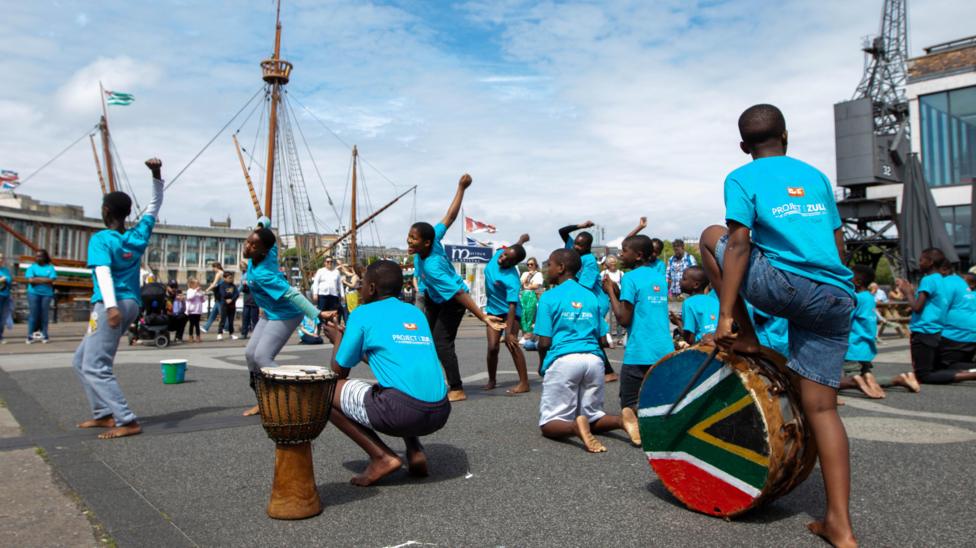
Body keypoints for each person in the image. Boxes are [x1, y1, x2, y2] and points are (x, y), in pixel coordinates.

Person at [699, 104, 857, 547]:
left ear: (743, 146)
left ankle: (747, 334)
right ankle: (840, 525)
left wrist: (727, 316)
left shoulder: (740, 177)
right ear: (786, 136)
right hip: (836, 295)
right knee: (822, 410)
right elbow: (838, 244)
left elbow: (738, 244)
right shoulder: (817, 177)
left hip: (783, 285)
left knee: (711, 236)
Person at [322, 260, 451, 486]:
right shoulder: (415, 313)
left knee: (324, 391)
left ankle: (381, 457)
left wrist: (338, 340)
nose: (360, 289)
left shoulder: (362, 313)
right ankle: (415, 451)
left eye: (362, 284)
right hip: (440, 410)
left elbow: (338, 372)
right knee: (394, 383)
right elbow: (390, 358)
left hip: (402, 412)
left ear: (371, 288)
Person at [73, 158, 165, 440]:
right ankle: (102, 413)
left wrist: (110, 307)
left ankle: (126, 419)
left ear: (105, 211)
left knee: (96, 366)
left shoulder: (101, 239)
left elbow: (103, 272)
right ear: (126, 213)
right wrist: (156, 174)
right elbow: (154, 205)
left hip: (110, 304)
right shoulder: (137, 236)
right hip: (131, 304)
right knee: (80, 360)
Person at [407, 174, 505, 402]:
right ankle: (429, 381)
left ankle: (457, 388)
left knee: (442, 342)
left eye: (414, 239)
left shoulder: (433, 266)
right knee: (426, 340)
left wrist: (483, 317)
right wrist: (461, 187)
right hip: (434, 298)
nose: (409, 241)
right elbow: (450, 216)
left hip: (452, 302)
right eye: (409, 236)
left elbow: (460, 293)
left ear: (426, 242)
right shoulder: (432, 239)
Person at [536, 248, 639, 452]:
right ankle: (621, 421)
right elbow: (602, 338)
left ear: (561, 268)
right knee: (592, 415)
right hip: (593, 360)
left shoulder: (549, 297)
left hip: (564, 359)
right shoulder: (590, 297)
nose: (547, 269)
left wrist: (543, 365)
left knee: (549, 423)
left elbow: (544, 342)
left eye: (550, 264)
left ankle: (574, 426)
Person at [242, 217, 334, 416]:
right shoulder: (267, 251)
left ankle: (297, 396)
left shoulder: (264, 274)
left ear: (263, 251)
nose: (248, 247)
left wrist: (317, 313)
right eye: (248, 241)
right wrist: (262, 223)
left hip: (287, 314)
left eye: (253, 245)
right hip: (270, 313)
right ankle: (263, 400)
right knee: (250, 354)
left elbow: (292, 294)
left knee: (262, 357)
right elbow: (266, 225)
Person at [604, 233, 671, 438]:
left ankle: (640, 432)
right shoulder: (660, 278)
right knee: (659, 397)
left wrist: (611, 292)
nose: (621, 255)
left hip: (639, 350)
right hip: (664, 349)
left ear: (639, 255)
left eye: (625, 251)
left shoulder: (630, 278)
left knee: (629, 402)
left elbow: (624, 319)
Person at [840, 266, 920, 398]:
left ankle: (897, 379)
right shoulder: (869, 297)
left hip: (853, 347)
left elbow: (845, 319)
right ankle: (901, 379)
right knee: (867, 378)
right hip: (866, 348)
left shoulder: (856, 298)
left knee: (849, 380)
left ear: (858, 282)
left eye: (850, 277)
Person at [558, 220, 618, 382]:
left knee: (591, 336)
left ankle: (608, 371)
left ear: (588, 247)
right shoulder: (573, 252)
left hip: (595, 302)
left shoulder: (589, 261)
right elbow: (562, 231)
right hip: (582, 300)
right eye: (576, 243)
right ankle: (598, 370)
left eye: (580, 245)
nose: (576, 247)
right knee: (588, 336)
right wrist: (580, 226)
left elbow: (584, 286)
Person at [483, 234, 531, 394]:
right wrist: (522, 240)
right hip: (493, 310)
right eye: (503, 255)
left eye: (507, 259)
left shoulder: (512, 279)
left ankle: (524, 383)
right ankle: (492, 380)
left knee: (512, 343)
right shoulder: (499, 253)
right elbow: (514, 248)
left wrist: (509, 333)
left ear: (514, 264)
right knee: (492, 347)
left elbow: (512, 306)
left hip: (510, 312)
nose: (502, 258)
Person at [937, 264, 976, 372]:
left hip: (956, 336)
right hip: (969, 336)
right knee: (963, 361)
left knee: (945, 366)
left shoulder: (957, 291)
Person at [677, 265, 718, 345]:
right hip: (718, 343)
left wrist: (678, 322)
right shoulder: (714, 300)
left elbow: (690, 339)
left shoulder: (688, 303)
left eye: (684, 279)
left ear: (696, 285)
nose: (680, 281)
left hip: (702, 346)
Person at [25, 249, 57, 343]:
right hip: (33, 293)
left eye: (40, 256)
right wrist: (45, 279)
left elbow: (51, 280)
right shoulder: (32, 267)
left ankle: (44, 335)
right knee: (33, 314)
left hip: (46, 294)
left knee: (44, 315)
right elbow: (30, 280)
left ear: (45, 257)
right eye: (37, 256)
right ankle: (30, 336)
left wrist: (37, 279)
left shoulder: (50, 268)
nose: (38, 258)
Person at [601, 255, 624, 343]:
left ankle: (620, 336)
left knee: (619, 317)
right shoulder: (604, 273)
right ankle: (609, 335)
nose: (612, 264)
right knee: (608, 317)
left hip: (618, 297)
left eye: (614, 262)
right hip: (607, 297)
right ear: (607, 264)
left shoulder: (621, 273)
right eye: (610, 262)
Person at [519, 256, 544, 337]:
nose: (529, 266)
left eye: (531, 264)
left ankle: (530, 336)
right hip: (524, 297)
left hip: (533, 297)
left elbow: (535, 286)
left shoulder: (538, 274)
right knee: (523, 316)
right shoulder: (525, 273)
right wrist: (528, 276)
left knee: (531, 316)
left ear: (535, 265)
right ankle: (524, 336)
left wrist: (527, 286)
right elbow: (521, 284)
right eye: (528, 264)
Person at [201, 261, 224, 334]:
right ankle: (206, 327)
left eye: (213, 268)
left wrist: (207, 290)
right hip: (219, 296)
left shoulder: (219, 273)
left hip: (219, 296)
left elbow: (214, 284)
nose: (213, 269)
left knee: (222, 313)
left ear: (216, 267)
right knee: (214, 313)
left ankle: (227, 327)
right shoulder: (223, 273)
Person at [239, 263, 259, 340]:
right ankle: (244, 333)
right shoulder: (244, 276)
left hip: (254, 301)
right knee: (245, 318)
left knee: (254, 318)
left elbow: (257, 287)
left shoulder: (254, 276)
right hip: (247, 301)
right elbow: (243, 289)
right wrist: (245, 285)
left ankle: (256, 334)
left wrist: (249, 283)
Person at [219, 271, 239, 340]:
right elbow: (223, 294)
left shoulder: (233, 286)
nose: (231, 279)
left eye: (231, 278)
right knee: (223, 320)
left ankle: (231, 334)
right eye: (229, 278)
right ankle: (219, 333)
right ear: (224, 278)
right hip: (224, 305)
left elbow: (237, 294)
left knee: (231, 321)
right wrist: (227, 298)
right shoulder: (222, 285)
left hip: (232, 305)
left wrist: (232, 299)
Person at [185, 278, 205, 343]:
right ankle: (190, 336)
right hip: (192, 311)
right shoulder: (190, 290)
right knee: (192, 324)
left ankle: (198, 337)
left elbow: (203, 300)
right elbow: (190, 297)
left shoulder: (199, 291)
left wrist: (202, 295)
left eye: (198, 283)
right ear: (192, 284)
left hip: (198, 310)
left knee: (197, 325)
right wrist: (195, 291)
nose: (198, 285)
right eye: (197, 283)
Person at [0, 253, 11, 344]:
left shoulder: (5, 270)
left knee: (3, 317)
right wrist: (2, 279)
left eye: (1, 258)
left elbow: (9, 280)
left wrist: (5, 279)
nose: (0, 260)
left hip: (5, 295)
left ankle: (0, 336)